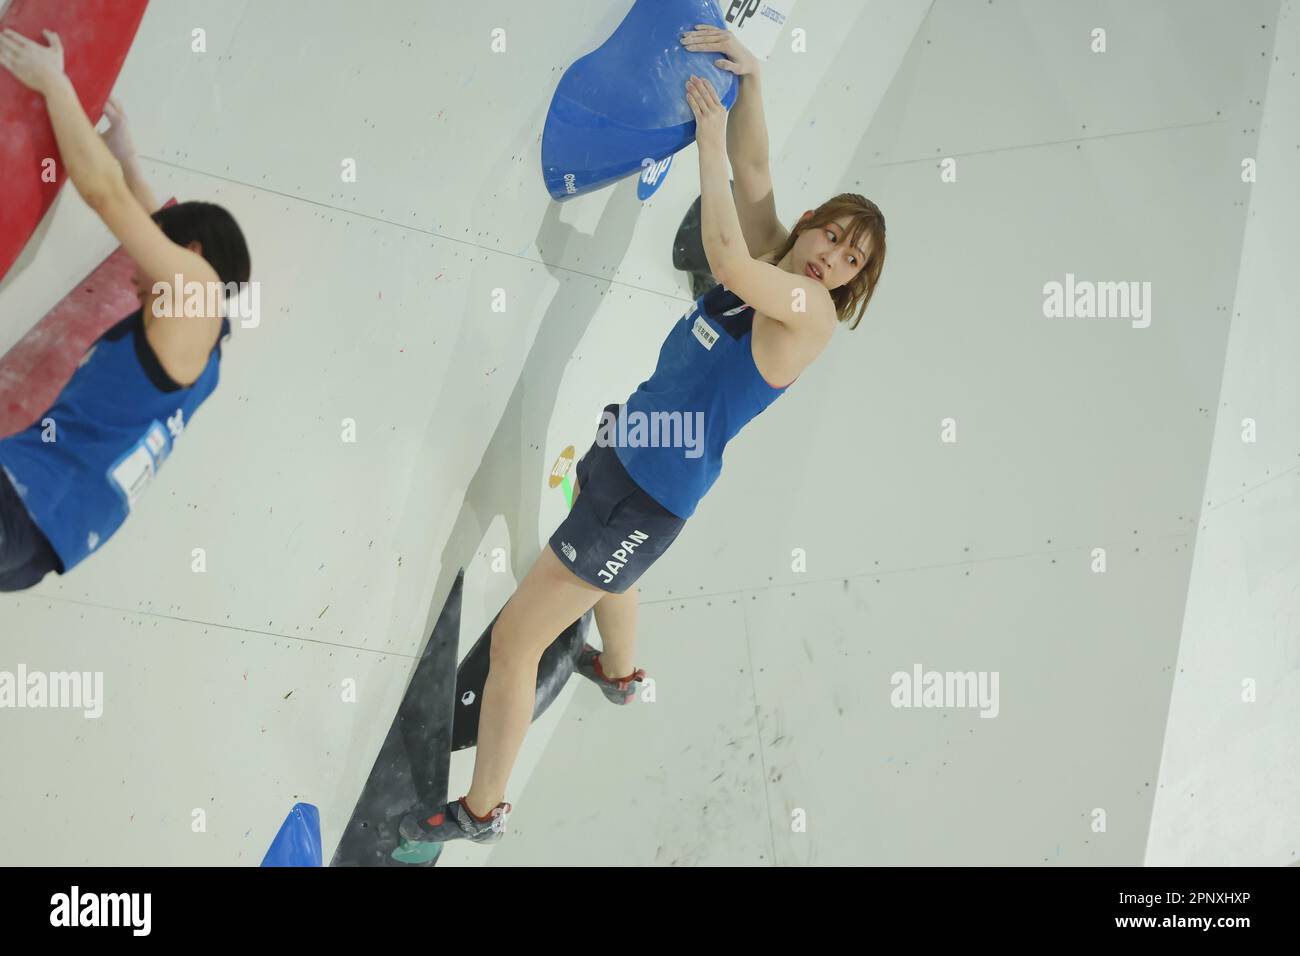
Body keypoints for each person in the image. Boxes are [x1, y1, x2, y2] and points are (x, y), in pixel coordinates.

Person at [401, 25, 888, 845]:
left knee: (519, 639)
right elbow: (758, 171)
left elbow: (725, 257)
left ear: (848, 288)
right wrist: (754, 82)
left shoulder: (804, 313)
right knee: (608, 578)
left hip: (654, 498)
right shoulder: (782, 256)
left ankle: (483, 810)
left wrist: (706, 133)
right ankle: (620, 674)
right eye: (834, 237)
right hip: (634, 436)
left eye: (852, 263)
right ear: (810, 226)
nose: (833, 260)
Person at [0, 29, 250, 591]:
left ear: (194, 256)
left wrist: (55, 84)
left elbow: (107, 197)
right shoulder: (201, 343)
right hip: (38, 542)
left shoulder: (196, 291)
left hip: (18, 498)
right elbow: (149, 215)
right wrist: (127, 155)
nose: (134, 277)